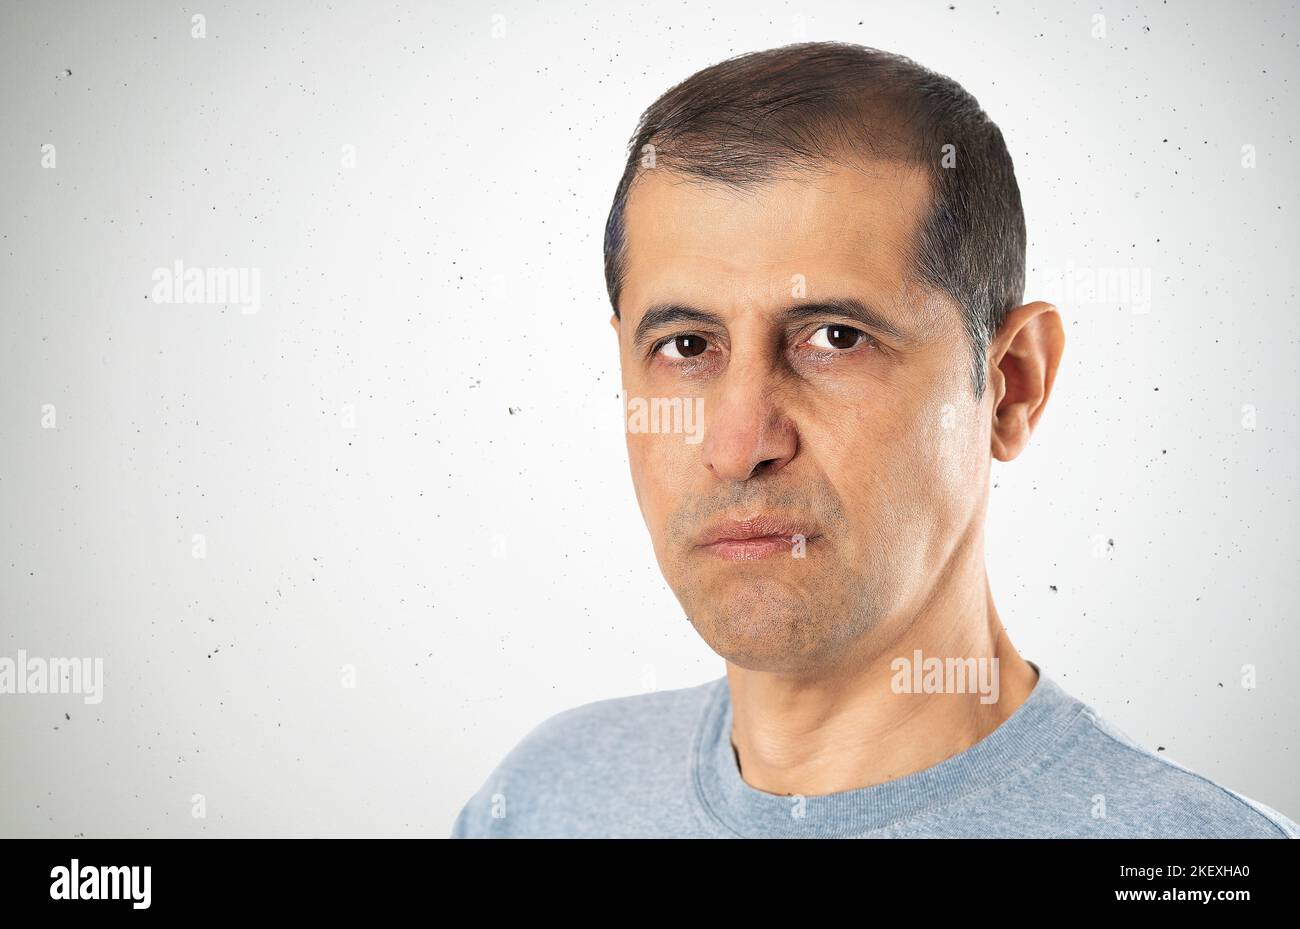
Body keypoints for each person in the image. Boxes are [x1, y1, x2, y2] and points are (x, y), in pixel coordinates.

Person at [451, 41, 1298, 838]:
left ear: (1012, 386)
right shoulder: (542, 802)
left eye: (836, 338)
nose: (740, 443)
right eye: (687, 347)